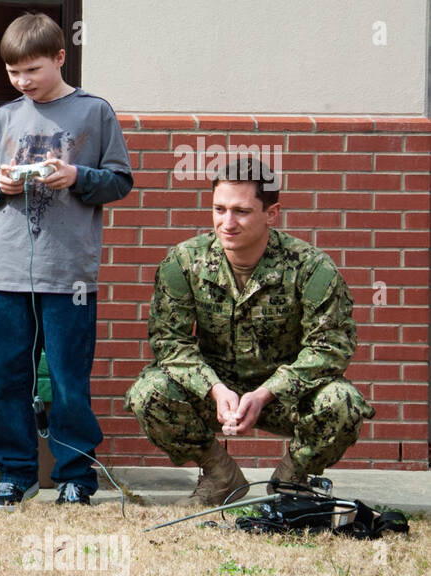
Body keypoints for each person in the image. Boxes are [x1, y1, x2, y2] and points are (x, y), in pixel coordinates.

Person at [125, 160, 374, 506]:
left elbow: (330, 348)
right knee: (148, 393)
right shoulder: (183, 262)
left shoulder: (311, 268)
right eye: (219, 209)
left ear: (272, 214)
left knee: (342, 403)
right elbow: (170, 343)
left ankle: (291, 482)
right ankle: (220, 475)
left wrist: (267, 393)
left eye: (241, 211)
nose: (227, 223)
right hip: (217, 392)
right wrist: (213, 389)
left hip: (285, 396)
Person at [0, 12, 133, 507]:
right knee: (8, 377)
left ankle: (75, 478)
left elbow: (120, 180)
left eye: (33, 71)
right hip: (5, 272)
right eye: (13, 73)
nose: (23, 82)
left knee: (68, 378)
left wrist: (78, 177)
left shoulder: (95, 111)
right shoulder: (4, 117)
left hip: (70, 274)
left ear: (61, 58)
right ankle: (14, 474)